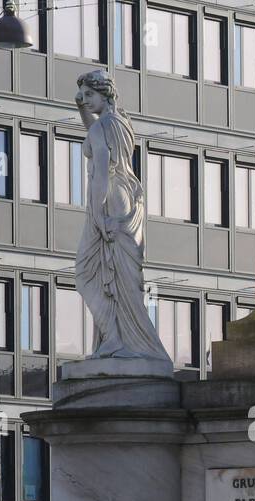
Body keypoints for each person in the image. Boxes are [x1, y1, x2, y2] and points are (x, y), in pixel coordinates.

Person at [73, 69, 171, 363]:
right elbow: (99, 131)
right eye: (84, 96)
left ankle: (115, 339)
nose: (85, 100)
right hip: (128, 199)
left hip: (109, 200)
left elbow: (102, 167)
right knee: (119, 277)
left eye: (90, 95)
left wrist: (97, 213)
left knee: (87, 274)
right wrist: (82, 110)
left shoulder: (100, 127)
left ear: (105, 93)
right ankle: (119, 339)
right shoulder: (120, 121)